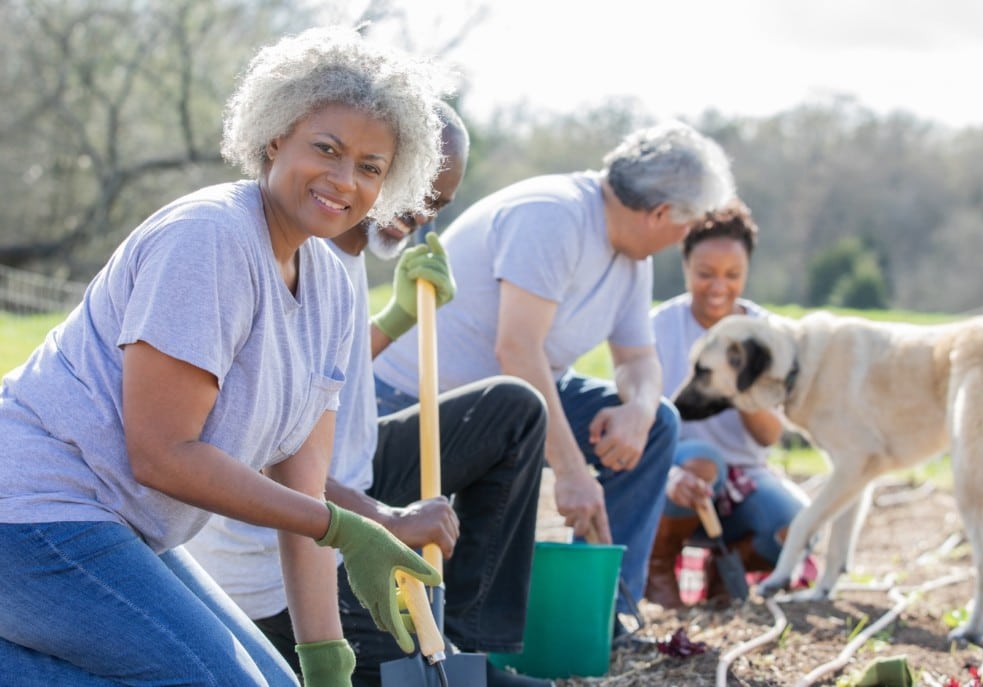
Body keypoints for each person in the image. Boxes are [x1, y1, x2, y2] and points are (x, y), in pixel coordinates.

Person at [0, 26, 449, 687]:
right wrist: (347, 528)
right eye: (326, 149)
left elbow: (302, 486)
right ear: (275, 138)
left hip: (119, 525)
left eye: (370, 167)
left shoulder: (330, 286)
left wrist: (327, 662)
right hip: (31, 505)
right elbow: (162, 453)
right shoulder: (209, 238)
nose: (343, 180)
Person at [186, 103, 553, 687]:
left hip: (351, 472)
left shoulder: (345, 255)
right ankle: (454, 664)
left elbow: (327, 379)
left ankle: (470, 641)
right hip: (284, 548)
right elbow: (265, 449)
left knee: (512, 410)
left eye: (437, 202)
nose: (421, 212)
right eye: (416, 189)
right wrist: (384, 520)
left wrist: (397, 318)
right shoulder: (305, 246)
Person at [372, 122, 738, 625]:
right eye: (687, 225)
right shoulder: (554, 217)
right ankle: (477, 626)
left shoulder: (634, 257)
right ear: (659, 213)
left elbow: (638, 359)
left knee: (658, 425)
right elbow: (518, 351)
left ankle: (602, 614)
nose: (684, 238)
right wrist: (571, 472)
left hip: (512, 399)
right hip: (415, 401)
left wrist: (638, 409)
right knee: (518, 418)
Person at [644, 201, 813, 608]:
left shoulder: (766, 334)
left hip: (747, 475)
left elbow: (769, 434)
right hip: (676, 473)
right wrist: (670, 474)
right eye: (705, 274)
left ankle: (723, 569)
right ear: (685, 264)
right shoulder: (659, 327)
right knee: (704, 460)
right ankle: (658, 566)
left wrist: (737, 382)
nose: (719, 286)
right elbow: (644, 418)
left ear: (747, 270)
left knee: (798, 529)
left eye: (733, 275)